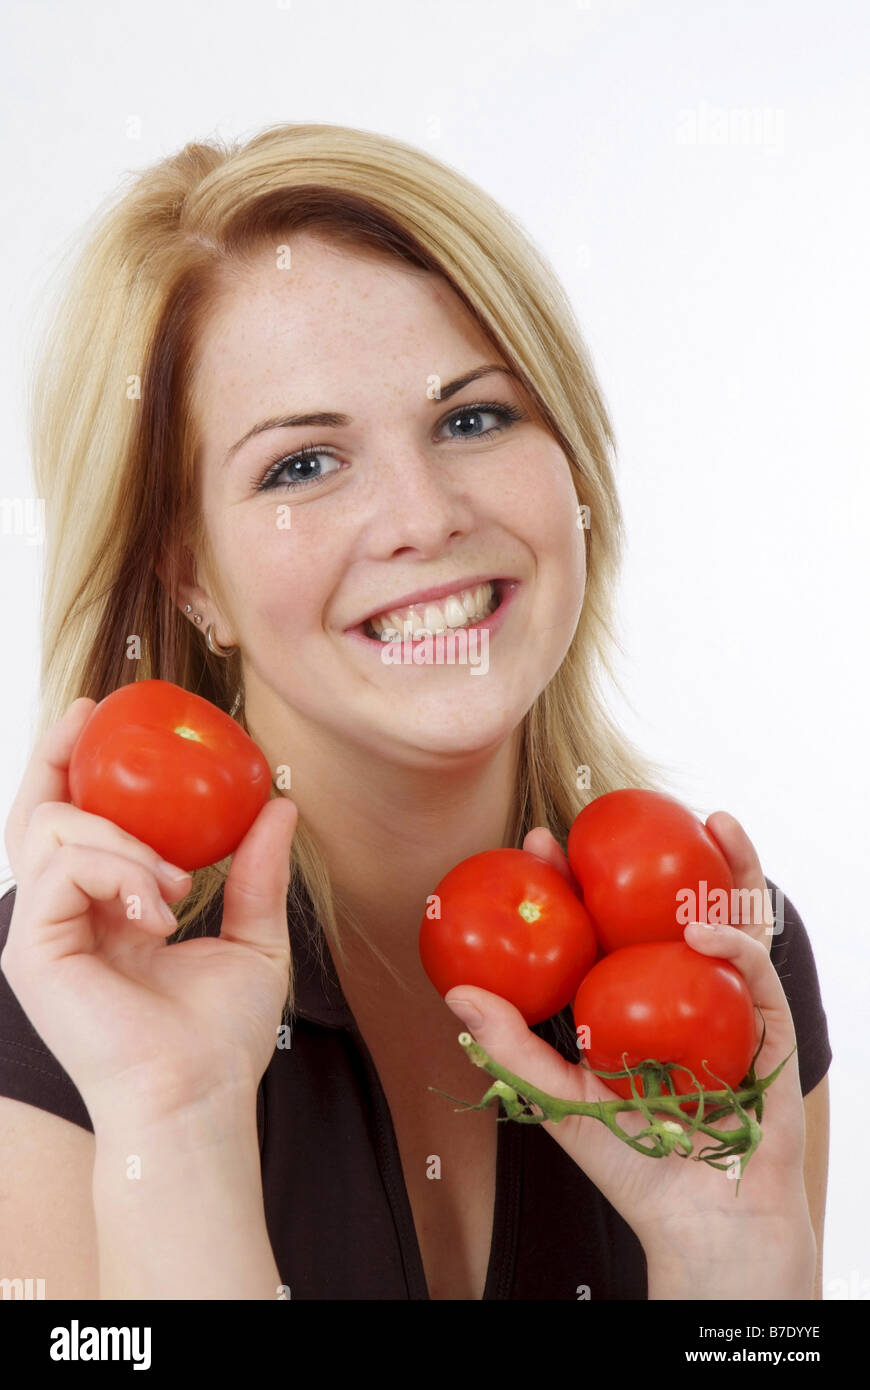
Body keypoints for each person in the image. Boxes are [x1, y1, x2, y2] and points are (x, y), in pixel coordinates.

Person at [0, 122, 830, 1300]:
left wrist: (734, 1267)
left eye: (473, 419)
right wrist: (173, 1123)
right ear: (191, 578)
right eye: (302, 466)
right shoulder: (63, 1011)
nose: (423, 514)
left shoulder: (724, 954)